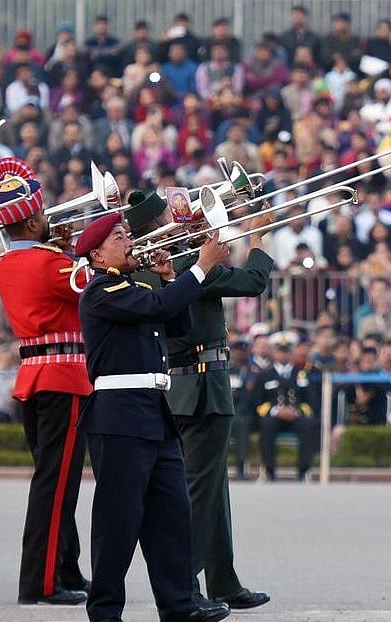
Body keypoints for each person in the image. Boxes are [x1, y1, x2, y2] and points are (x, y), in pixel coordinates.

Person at [75, 212, 231, 622]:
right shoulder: (100, 291)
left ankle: (178, 606)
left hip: (154, 410)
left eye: (127, 235)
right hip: (120, 414)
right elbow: (158, 307)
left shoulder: (133, 288)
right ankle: (105, 611)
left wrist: (166, 277)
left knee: (171, 516)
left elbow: (175, 322)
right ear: (96, 253)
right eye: (119, 237)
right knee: (118, 523)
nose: (129, 242)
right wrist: (200, 267)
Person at [126, 190, 273, 610]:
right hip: (204, 387)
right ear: (160, 226)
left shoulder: (148, 267)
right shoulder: (189, 267)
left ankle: (223, 581)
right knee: (200, 493)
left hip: (183, 388)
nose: (185, 219)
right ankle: (185, 586)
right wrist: (258, 239)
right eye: (176, 217)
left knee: (211, 490)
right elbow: (253, 282)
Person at [0, 158, 91, 606]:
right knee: (55, 483)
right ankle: (41, 582)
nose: (52, 219)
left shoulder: (7, 263)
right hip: (63, 377)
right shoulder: (51, 264)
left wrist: (61, 250)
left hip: (35, 375)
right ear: (31, 219)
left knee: (57, 480)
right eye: (44, 214)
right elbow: (96, 279)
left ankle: (65, 568)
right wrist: (75, 250)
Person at [254, 331, 320, 482]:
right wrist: (276, 411)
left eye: (287, 351)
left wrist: (296, 411)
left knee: (309, 424)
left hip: (295, 416)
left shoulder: (301, 374)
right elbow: (257, 402)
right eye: (279, 351)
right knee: (266, 424)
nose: (283, 355)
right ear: (274, 352)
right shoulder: (265, 375)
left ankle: (303, 470)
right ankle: (270, 471)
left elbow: (311, 401)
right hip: (274, 416)